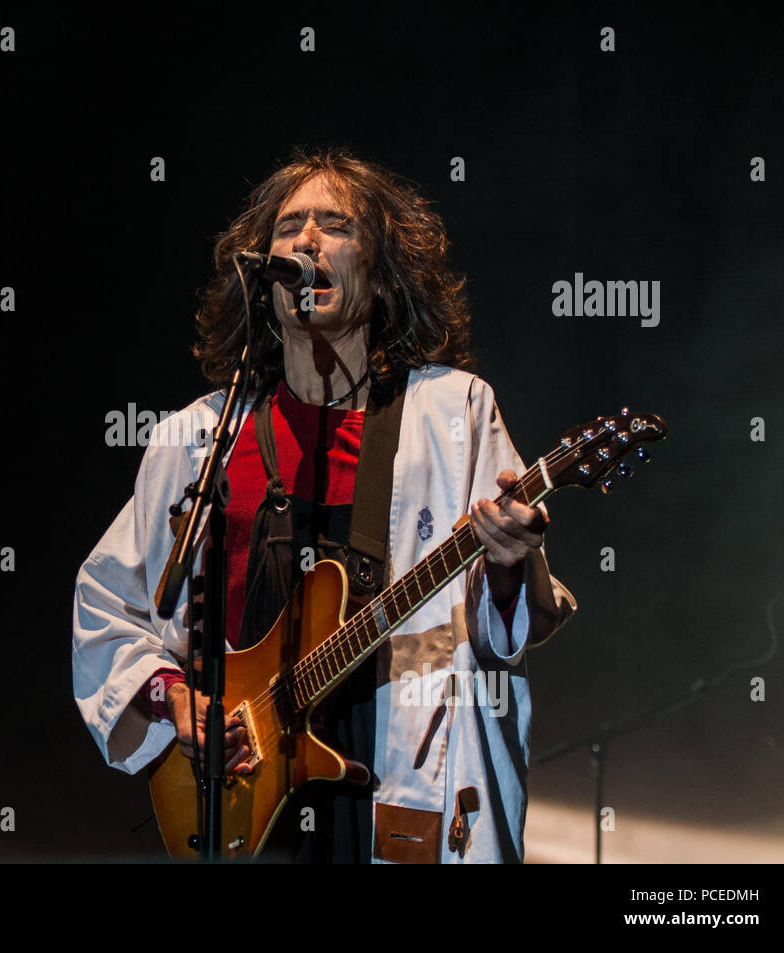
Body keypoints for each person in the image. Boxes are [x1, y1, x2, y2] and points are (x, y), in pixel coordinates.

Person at [71, 148, 577, 863]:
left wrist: (504, 566)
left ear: (380, 270)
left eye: (334, 224)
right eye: (288, 226)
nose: (306, 240)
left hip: (395, 789)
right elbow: (107, 604)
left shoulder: (452, 411)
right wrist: (176, 704)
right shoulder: (199, 435)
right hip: (244, 798)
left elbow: (513, 623)